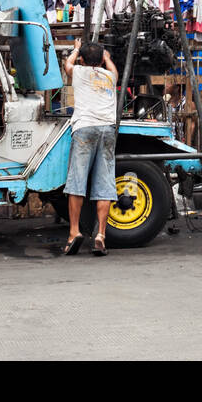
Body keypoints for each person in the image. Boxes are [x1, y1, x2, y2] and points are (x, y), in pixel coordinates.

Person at [61, 41, 120, 256]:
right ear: (102, 59)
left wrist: (76, 48)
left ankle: (74, 232)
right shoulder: (110, 76)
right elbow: (114, 70)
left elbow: (67, 64)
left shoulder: (79, 72)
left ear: (82, 60)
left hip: (84, 128)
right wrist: (107, 58)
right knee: (104, 183)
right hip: (107, 129)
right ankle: (101, 234)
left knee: (77, 182)